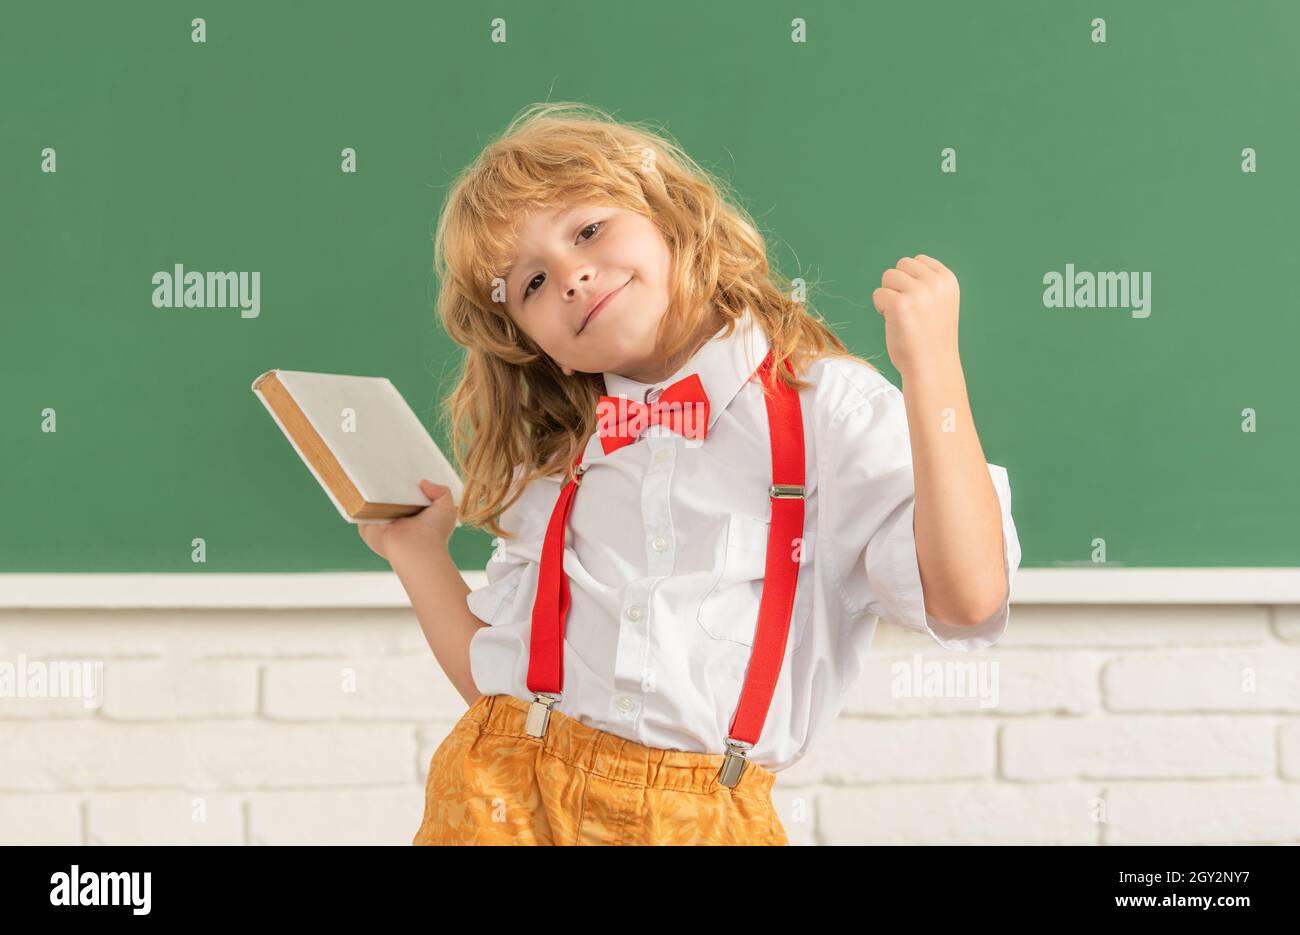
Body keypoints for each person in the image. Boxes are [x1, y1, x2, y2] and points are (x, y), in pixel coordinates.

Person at [359, 102, 1022, 845]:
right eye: (532, 284)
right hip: (496, 809)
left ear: (668, 213)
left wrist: (933, 368)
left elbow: (968, 600)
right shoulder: (561, 456)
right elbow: (503, 693)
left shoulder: (827, 410)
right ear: (539, 346)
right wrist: (417, 553)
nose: (572, 275)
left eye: (587, 230)